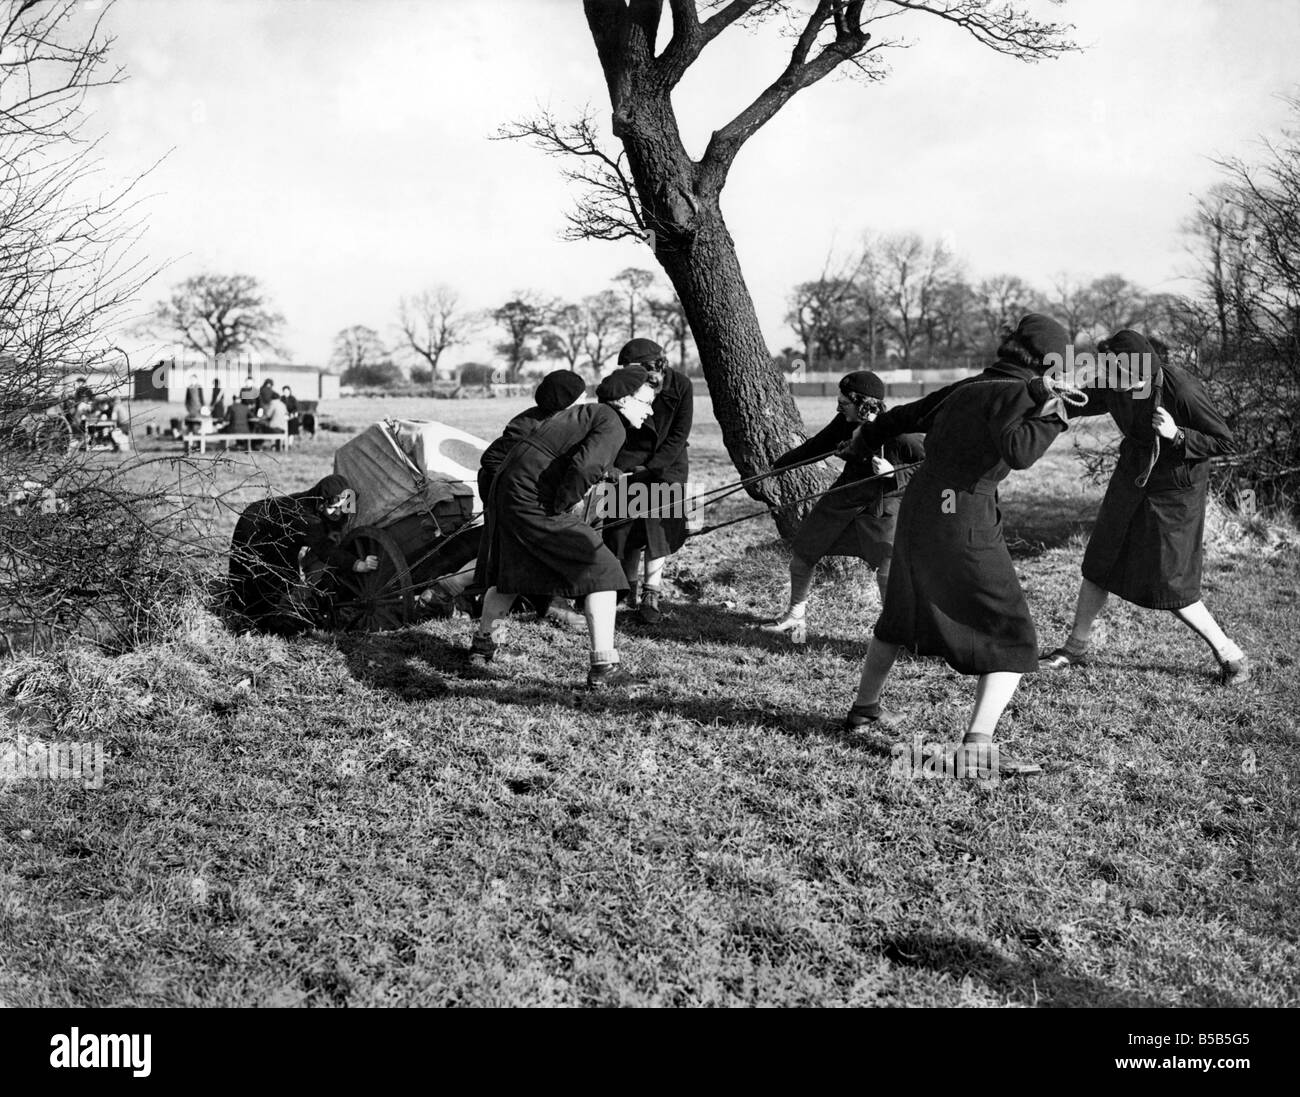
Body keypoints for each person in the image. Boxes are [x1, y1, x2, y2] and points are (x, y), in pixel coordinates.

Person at [838, 314, 1075, 776]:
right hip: (962, 516)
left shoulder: (968, 387)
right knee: (1014, 635)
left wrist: (864, 437)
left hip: (920, 506)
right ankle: (977, 748)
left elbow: (900, 417)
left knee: (901, 613)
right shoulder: (1021, 394)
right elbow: (1020, 453)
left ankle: (865, 708)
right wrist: (1056, 415)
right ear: (1049, 365)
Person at [1039, 330, 1247, 684]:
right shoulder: (1116, 378)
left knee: (1172, 583)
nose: (1117, 386)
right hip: (1130, 478)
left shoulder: (1182, 388)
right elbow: (1080, 401)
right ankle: (1074, 648)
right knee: (1099, 562)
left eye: (1126, 379)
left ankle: (1232, 657)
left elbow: (1225, 442)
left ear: (1145, 370)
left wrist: (1177, 435)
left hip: (1174, 491)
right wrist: (1045, 395)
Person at [470, 366, 657, 689]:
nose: (650, 410)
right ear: (625, 401)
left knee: (514, 570)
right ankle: (604, 668)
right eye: (645, 402)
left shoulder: (590, 413)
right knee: (603, 571)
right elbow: (585, 466)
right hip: (531, 499)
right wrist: (562, 505)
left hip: (510, 493)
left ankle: (483, 648)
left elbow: (572, 459)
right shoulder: (612, 423)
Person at [764, 371, 925, 634]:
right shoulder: (844, 422)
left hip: (881, 507)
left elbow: (929, 466)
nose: (838, 408)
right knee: (804, 550)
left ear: (864, 404)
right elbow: (817, 446)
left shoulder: (901, 433)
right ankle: (795, 617)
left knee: (887, 569)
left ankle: (896, 632)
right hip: (843, 500)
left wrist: (893, 473)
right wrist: (779, 467)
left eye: (844, 403)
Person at [601, 338, 694, 624]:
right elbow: (607, 427)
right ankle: (624, 588)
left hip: (667, 465)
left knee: (659, 530)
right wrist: (614, 466)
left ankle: (651, 593)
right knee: (623, 530)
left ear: (660, 366)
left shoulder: (682, 385)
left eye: (646, 371)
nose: (642, 379)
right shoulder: (618, 385)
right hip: (627, 464)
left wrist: (653, 467)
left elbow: (679, 434)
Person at [228, 474, 378, 635]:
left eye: (341, 507)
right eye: (333, 509)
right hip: (257, 524)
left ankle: (270, 613)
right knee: (262, 574)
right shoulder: (307, 518)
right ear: (320, 504)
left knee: (288, 574)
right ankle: (247, 620)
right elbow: (324, 549)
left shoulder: (340, 497)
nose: (337, 513)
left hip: (283, 527)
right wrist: (357, 564)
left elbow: (345, 513)